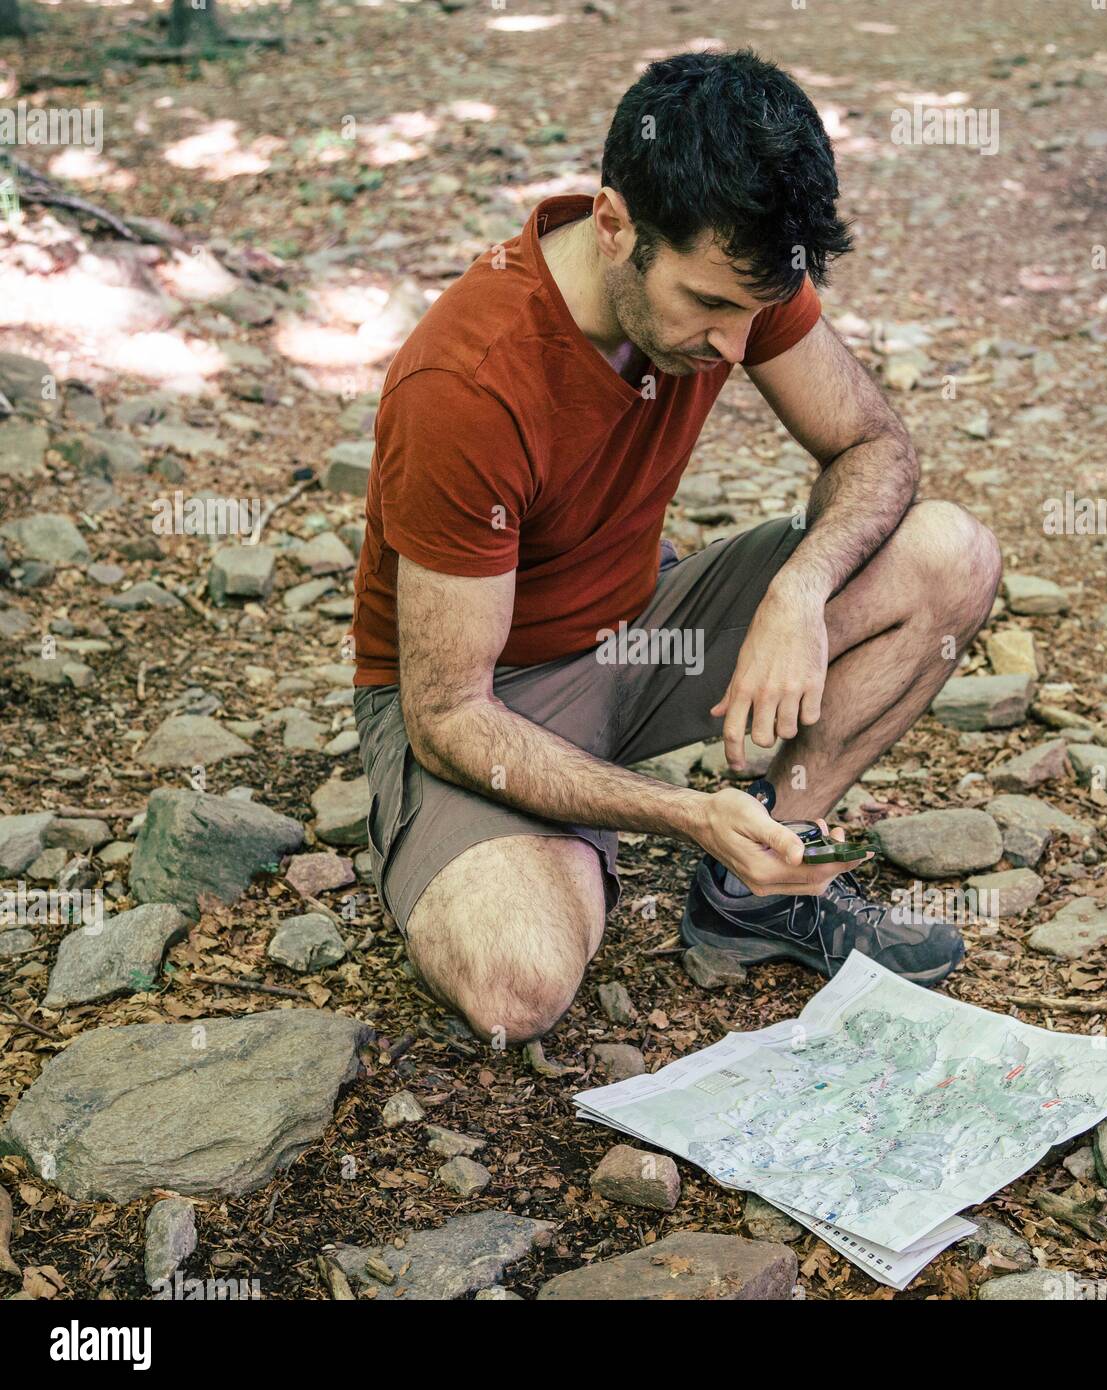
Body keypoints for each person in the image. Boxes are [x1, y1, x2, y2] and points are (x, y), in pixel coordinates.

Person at [351, 48, 1002, 1045]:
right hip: (484, 693)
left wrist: (799, 591)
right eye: (706, 307)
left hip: (635, 632)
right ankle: (593, 824)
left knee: (948, 553)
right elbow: (446, 713)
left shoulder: (737, 263)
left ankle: (759, 886)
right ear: (614, 226)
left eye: (753, 314)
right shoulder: (468, 384)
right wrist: (682, 811)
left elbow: (872, 444)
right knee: (516, 983)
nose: (736, 349)